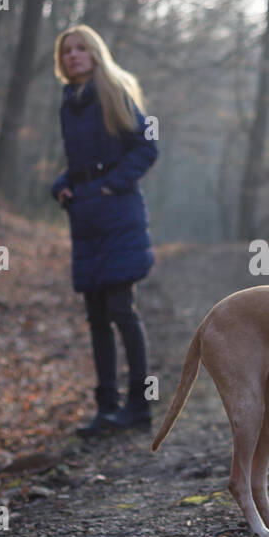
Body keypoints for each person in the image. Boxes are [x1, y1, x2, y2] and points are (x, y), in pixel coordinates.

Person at [49, 25, 159, 436]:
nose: (73, 56)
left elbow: (148, 145)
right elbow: (81, 162)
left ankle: (140, 404)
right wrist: (62, 184)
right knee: (95, 316)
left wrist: (112, 185)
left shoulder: (114, 91)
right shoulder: (69, 102)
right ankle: (107, 409)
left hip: (118, 216)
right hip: (86, 218)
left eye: (81, 49)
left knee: (121, 309)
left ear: (95, 53)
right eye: (66, 52)